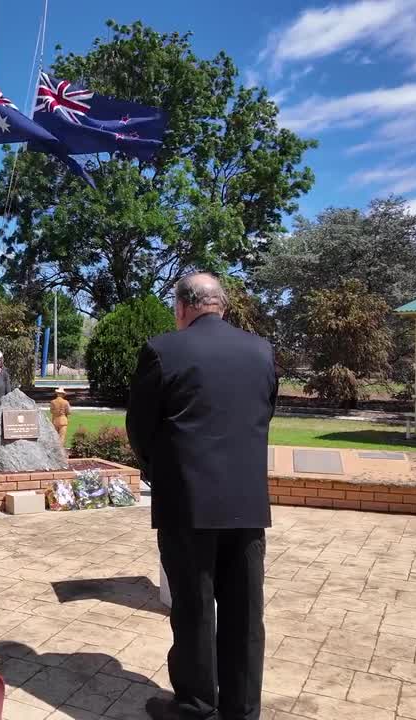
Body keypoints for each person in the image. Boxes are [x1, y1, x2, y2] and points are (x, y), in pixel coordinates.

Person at [126, 272, 278, 720]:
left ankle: (195, 706)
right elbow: (264, 413)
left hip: (186, 504)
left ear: (182, 307)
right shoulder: (261, 351)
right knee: (245, 612)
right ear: (222, 306)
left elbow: (141, 429)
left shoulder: (161, 350)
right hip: (247, 503)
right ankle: (242, 710)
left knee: (193, 609)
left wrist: (163, 472)